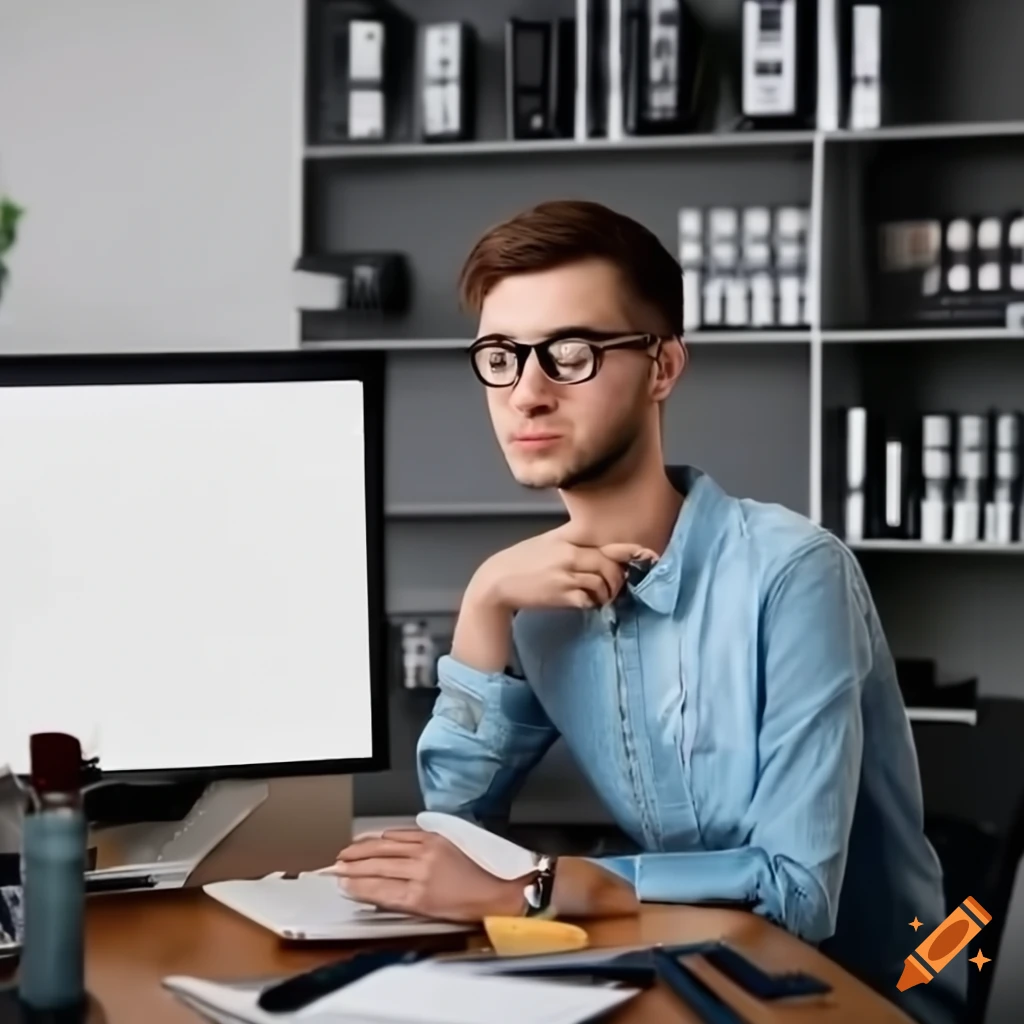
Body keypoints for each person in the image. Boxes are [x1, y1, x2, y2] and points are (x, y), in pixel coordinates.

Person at [332, 200, 963, 1022]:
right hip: (677, 966)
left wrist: (548, 886)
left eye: (571, 353)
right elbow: (457, 841)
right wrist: (484, 603)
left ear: (663, 366)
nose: (526, 392)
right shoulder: (535, 597)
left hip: (856, 998)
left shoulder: (794, 574)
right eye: (499, 356)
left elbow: (798, 893)